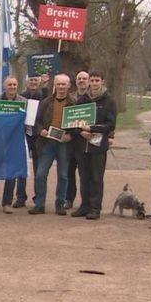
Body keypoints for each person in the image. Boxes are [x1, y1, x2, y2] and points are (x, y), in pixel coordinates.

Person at [70, 71, 117, 220]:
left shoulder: (109, 101)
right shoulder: (82, 99)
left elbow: (111, 124)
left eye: (97, 80)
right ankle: (84, 206)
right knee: (84, 177)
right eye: (92, 80)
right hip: (82, 144)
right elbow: (72, 120)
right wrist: (81, 132)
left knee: (96, 177)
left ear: (102, 81)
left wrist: (92, 129)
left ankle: (95, 207)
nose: (94, 83)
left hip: (98, 145)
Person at [29, 73, 74, 216]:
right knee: (41, 174)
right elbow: (37, 120)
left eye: (63, 84)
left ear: (68, 86)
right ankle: (39, 204)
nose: (61, 87)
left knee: (63, 175)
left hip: (64, 144)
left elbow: (79, 123)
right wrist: (41, 130)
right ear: (55, 85)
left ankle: (60, 203)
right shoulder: (46, 102)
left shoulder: (74, 103)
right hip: (47, 142)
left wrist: (71, 135)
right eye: (58, 84)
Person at [0, 76, 28, 214]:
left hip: (15, 141)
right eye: (9, 85)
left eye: (14, 85)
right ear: (5, 86)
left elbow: (29, 122)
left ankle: (7, 203)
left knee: (11, 172)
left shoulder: (24, 102)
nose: (12, 87)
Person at [66, 69, 89, 209]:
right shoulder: (70, 97)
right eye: (79, 78)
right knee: (69, 173)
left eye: (84, 79)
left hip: (85, 141)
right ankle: (69, 199)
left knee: (84, 174)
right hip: (71, 140)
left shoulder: (92, 97)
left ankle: (85, 201)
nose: (81, 81)